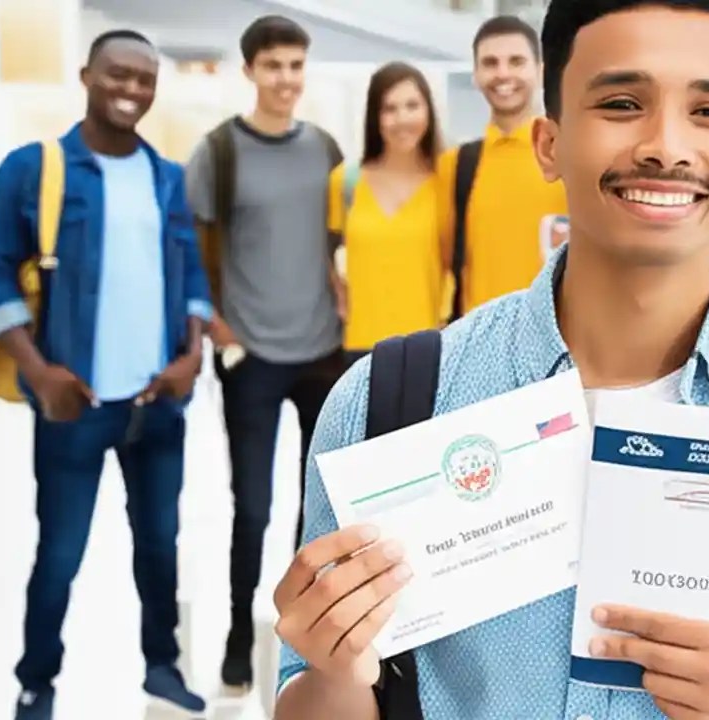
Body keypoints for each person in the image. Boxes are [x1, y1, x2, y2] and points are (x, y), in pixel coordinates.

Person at [271, 1, 709, 718]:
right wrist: (333, 669)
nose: (665, 146)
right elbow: (314, 700)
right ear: (549, 144)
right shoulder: (388, 404)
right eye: (622, 103)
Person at [0, 29, 209, 719]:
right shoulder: (32, 170)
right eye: (118, 75)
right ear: (85, 76)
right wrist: (41, 375)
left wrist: (192, 354)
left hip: (157, 406)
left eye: (145, 78)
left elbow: (190, 270)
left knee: (160, 548)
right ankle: (36, 681)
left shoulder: (166, 177)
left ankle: (160, 666)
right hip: (74, 405)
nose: (132, 90)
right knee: (60, 555)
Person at [183, 14, 347, 696]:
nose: (286, 79)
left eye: (296, 66)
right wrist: (217, 326)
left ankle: (296, 633)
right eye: (273, 65)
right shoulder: (218, 152)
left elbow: (343, 237)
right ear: (249, 71)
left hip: (322, 353)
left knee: (318, 509)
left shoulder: (327, 150)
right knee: (251, 505)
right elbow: (190, 246)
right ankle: (232, 633)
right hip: (250, 354)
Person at [437, 15, 569, 319]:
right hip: (479, 339)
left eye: (516, 61)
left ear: (540, 70)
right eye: (491, 63)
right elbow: (445, 262)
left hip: (559, 338)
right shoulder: (456, 166)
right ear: (475, 74)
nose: (503, 73)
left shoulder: (568, 154)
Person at [331, 62, 445, 364]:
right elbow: (326, 249)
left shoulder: (448, 178)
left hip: (433, 345)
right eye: (389, 109)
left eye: (412, 105)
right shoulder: (346, 181)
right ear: (375, 117)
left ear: (429, 111)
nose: (402, 119)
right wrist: (340, 295)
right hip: (361, 348)